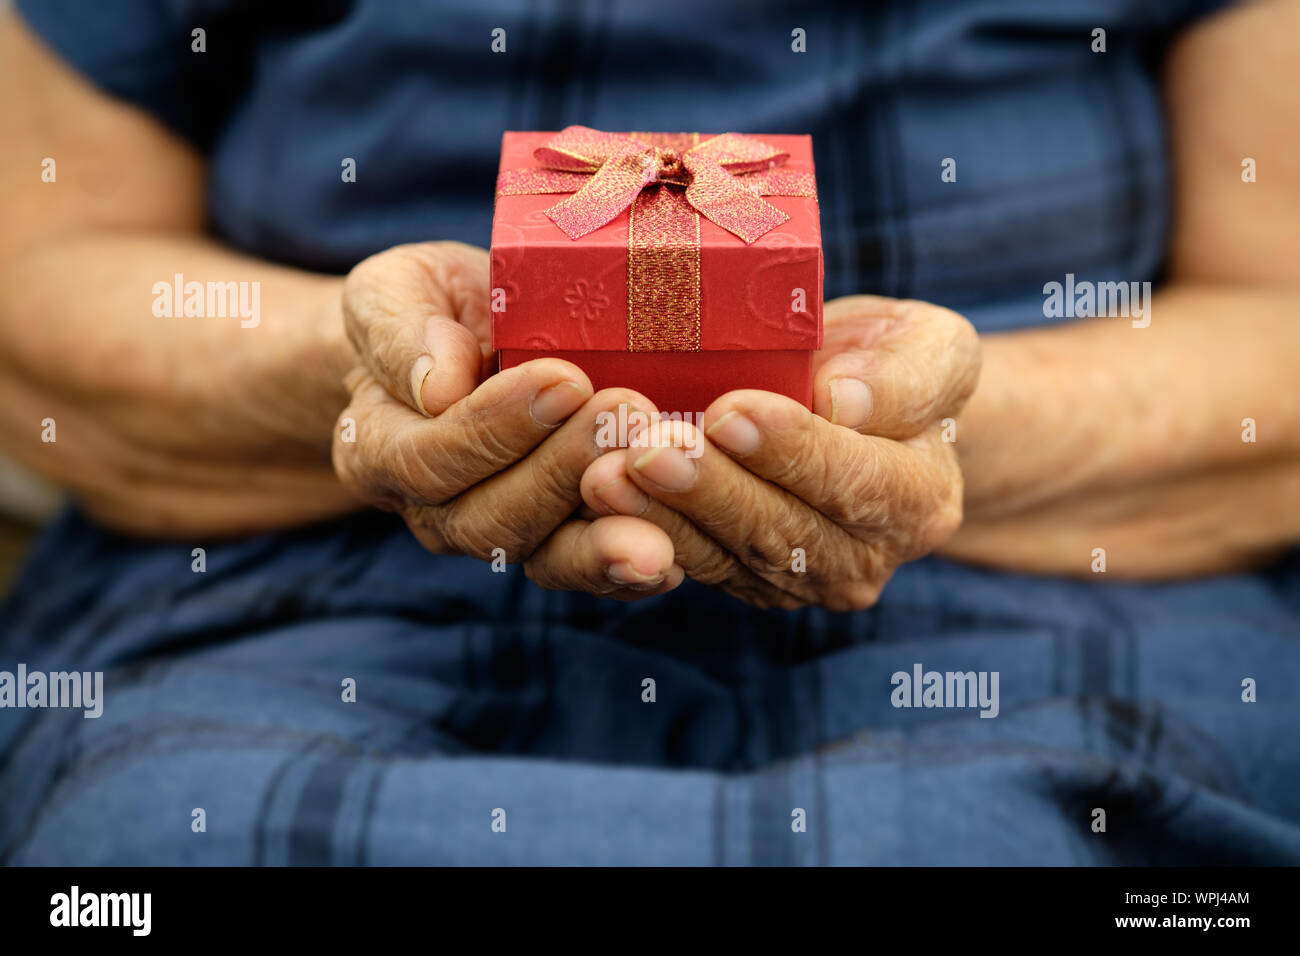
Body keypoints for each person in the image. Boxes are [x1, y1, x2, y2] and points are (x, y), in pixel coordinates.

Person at [1, 0, 1296, 865]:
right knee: (174, 835)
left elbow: (1277, 314)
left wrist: (916, 424)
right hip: (288, 553)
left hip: (1076, 546)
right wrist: (391, 379)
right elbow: (42, 269)